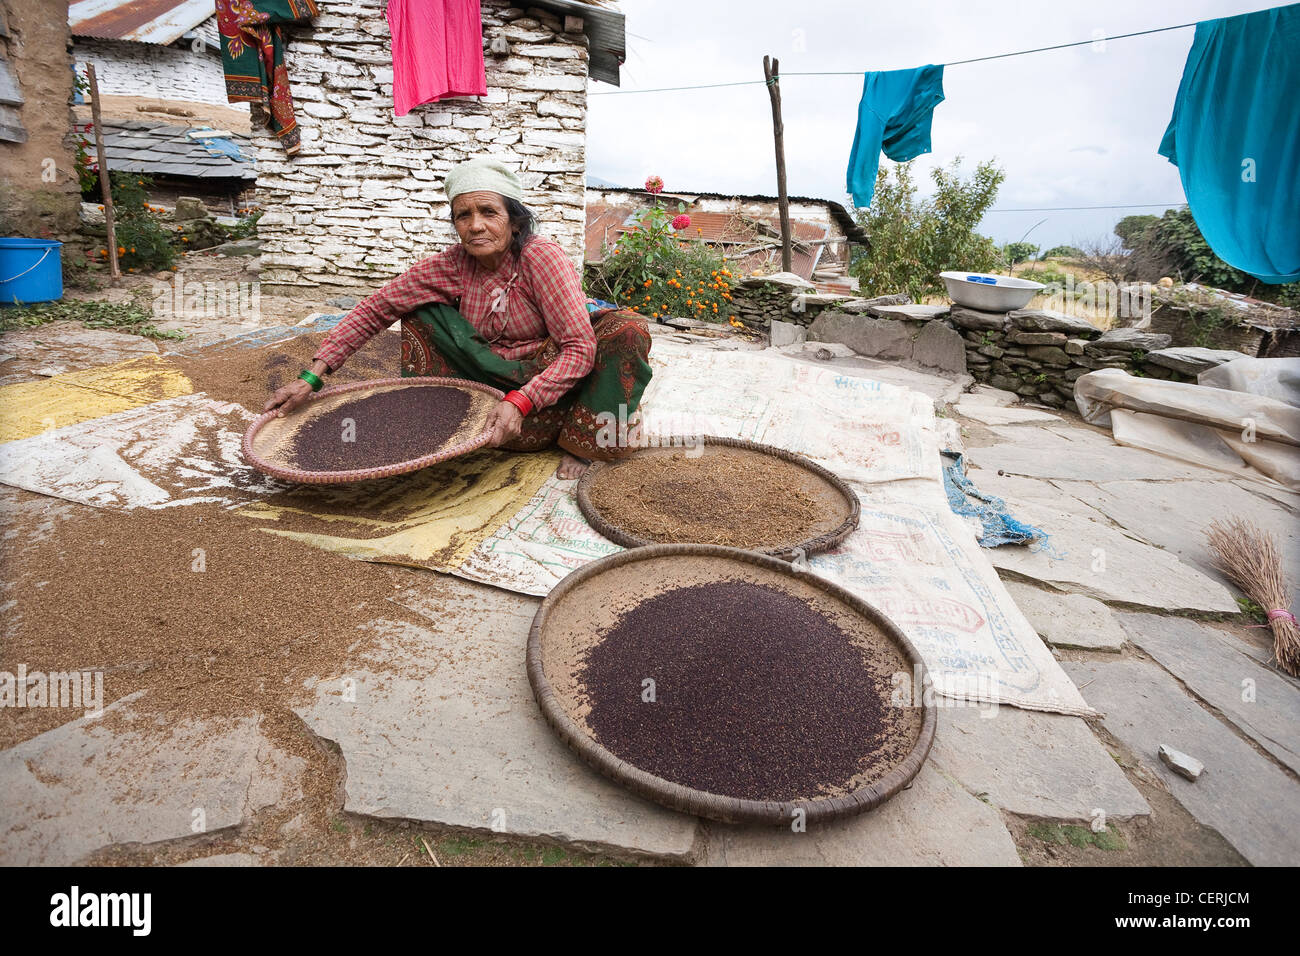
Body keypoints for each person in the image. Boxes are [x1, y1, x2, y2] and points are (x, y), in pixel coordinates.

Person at [263, 158, 653, 479]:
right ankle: (444, 415)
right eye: (463, 215)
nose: (475, 225)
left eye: (488, 212)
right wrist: (311, 377)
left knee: (627, 329)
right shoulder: (449, 267)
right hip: (494, 372)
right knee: (421, 311)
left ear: (514, 220)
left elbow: (579, 347)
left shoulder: (540, 257)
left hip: (554, 372)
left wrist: (522, 401)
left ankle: (586, 441)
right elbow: (376, 307)